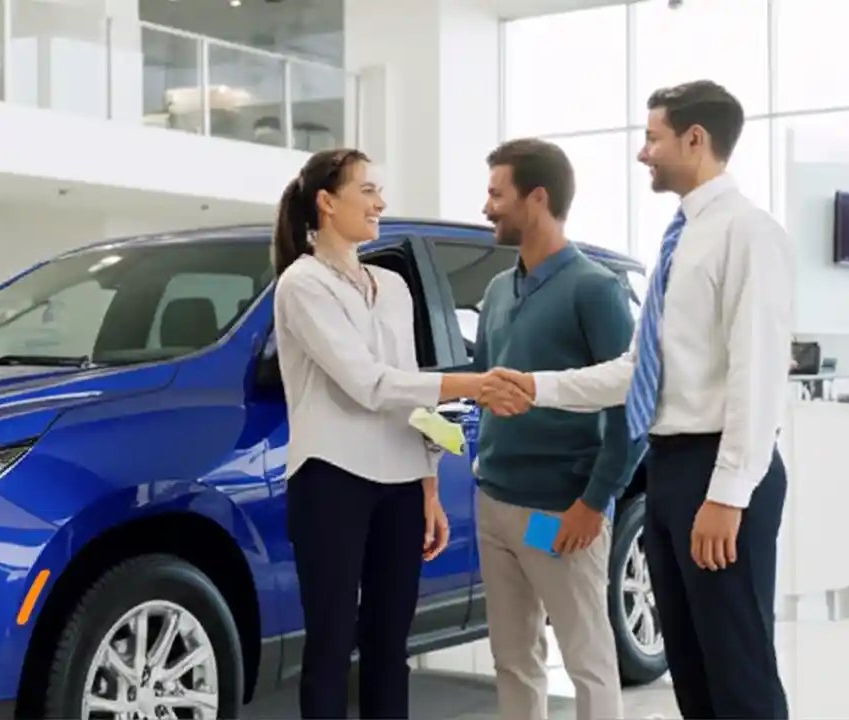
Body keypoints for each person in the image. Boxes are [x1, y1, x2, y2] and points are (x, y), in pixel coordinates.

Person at [485, 80, 795, 719]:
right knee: (691, 665)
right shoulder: (682, 238)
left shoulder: (747, 233)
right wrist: (535, 385)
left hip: (716, 470)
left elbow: (757, 374)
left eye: (652, 138)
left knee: (738, 669)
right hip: (672, 469)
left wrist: (728, 493)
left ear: (695, 139)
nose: (642, 153)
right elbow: (636, 372)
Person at [271, 148, 529, 719]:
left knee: (391, 648)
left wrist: (429, 483)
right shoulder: (301, 284)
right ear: (326, 201)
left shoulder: (391, 286)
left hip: (400, 484)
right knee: (332, 646)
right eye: (367, 190)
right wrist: (473, 384)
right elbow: (367, 384)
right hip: (330, 481)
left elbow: (409, 391)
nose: (380, 202)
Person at [469, 138, 637, 720]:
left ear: (536, 198)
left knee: (587, 658)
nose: (487, 207)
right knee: (513, 659)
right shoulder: (495, 292)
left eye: (497, 194)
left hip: (558, 515)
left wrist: (593, 504)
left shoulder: (594, 290)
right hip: (494, 507)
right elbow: (485, 389)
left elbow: (631, 410)